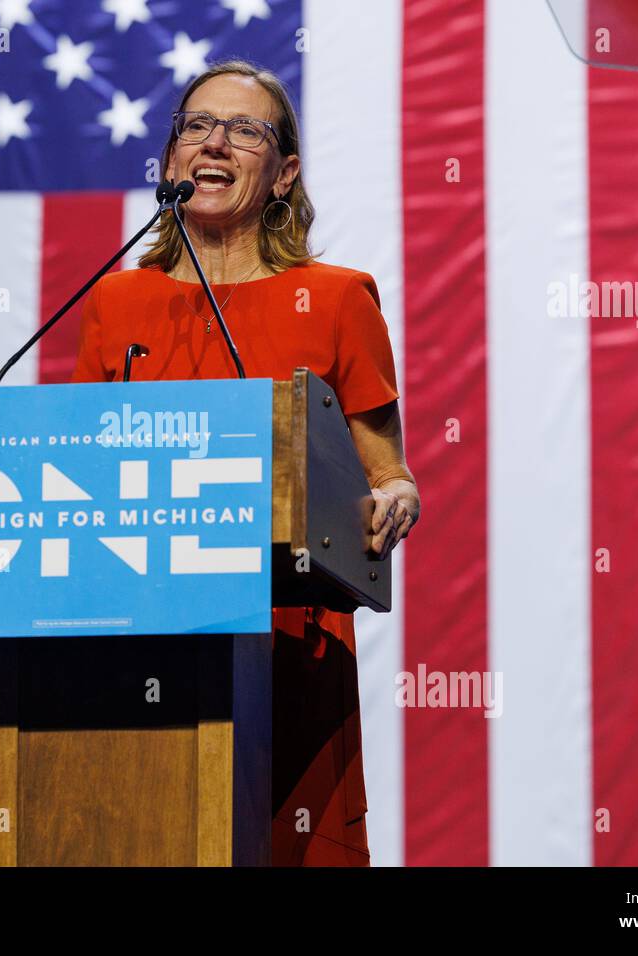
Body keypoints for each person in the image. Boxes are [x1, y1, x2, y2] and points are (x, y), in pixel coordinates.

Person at [71, 60, 421, 866]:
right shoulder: (116, 301)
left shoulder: (338, 299)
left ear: (285, 173)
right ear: (168, 161)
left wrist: (396, 498)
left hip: (284, 638)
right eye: (196, 126)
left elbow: (387, 474)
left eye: (244, 130)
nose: (214, 143)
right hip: (135, 633)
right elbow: (78, 472)